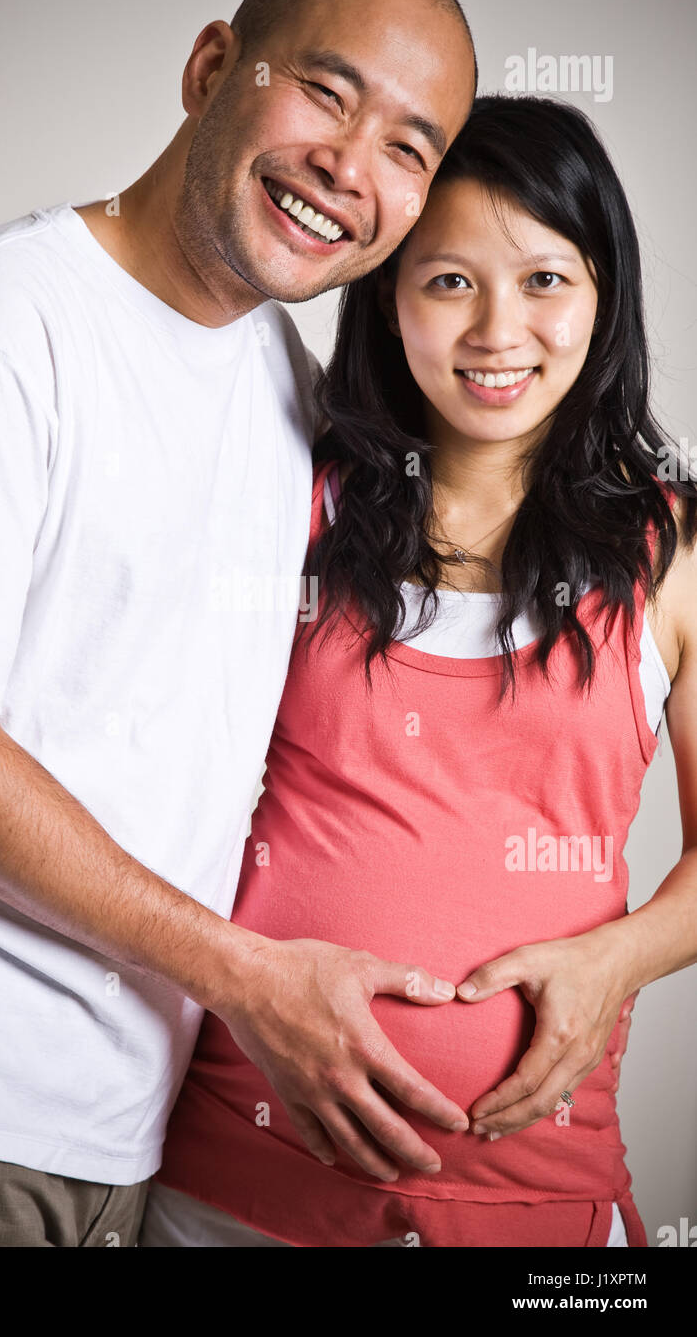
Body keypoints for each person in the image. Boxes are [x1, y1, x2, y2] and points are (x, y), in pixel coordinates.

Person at [0, 0, 477, 1246]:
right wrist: (250, 980)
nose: (351, 167)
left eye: (410, 147)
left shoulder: (283, 388)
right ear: (208, 69)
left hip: (131, 1125)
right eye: (324, 92)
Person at [142, 94, 697, 1248]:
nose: (497, 329)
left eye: (545, 279)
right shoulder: (294, 502)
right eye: (448, 281)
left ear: (604, 295)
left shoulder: (672, 554)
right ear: (387, 300)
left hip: (532, 1197)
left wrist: (613, 958)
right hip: (236, 1181)